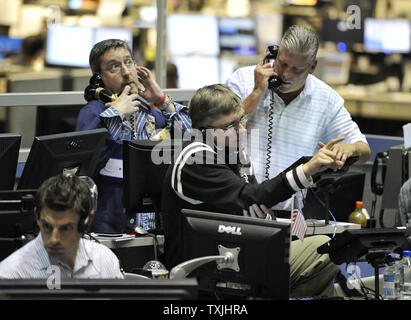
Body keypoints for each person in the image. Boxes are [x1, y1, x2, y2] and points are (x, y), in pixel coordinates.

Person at [161, 84, 344, 298]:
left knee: (331, 247)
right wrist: (305, 170)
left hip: (236, 258)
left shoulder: (233, 153)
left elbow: (258, 205)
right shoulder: (195, 158)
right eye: (232, 125)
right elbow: (250, 197)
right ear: (205, 131)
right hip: (206, 270)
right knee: (323, 246)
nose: (242, 130)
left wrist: (260, 204)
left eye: (241, 121)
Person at [226, 24, 371, 214]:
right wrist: (258, 92)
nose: (285, 74)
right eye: (283, 64)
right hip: (238, 205)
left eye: (296, 69)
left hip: (288, 214)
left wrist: (349, 148)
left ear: (312, 67)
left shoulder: (326, 99)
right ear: (274, 55)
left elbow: (365, 151)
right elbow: (221, 134)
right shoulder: (242, 80)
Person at [76, 39, 191, 233]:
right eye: (114, 67)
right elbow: (85, 168)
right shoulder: (93, 113)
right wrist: (115, 115)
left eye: (128, 62)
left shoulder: (148, 111)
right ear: (99, 78)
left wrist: (162, 100)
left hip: (153, 224)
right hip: (110, 225)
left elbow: (189, 137)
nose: (126, 72)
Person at [0, 174, 124, 279]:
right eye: (47, 226)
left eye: (66, 228)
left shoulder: (104, 260)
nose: (54, 239)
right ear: (37, 216)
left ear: (86, 221)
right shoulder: (12, 275)